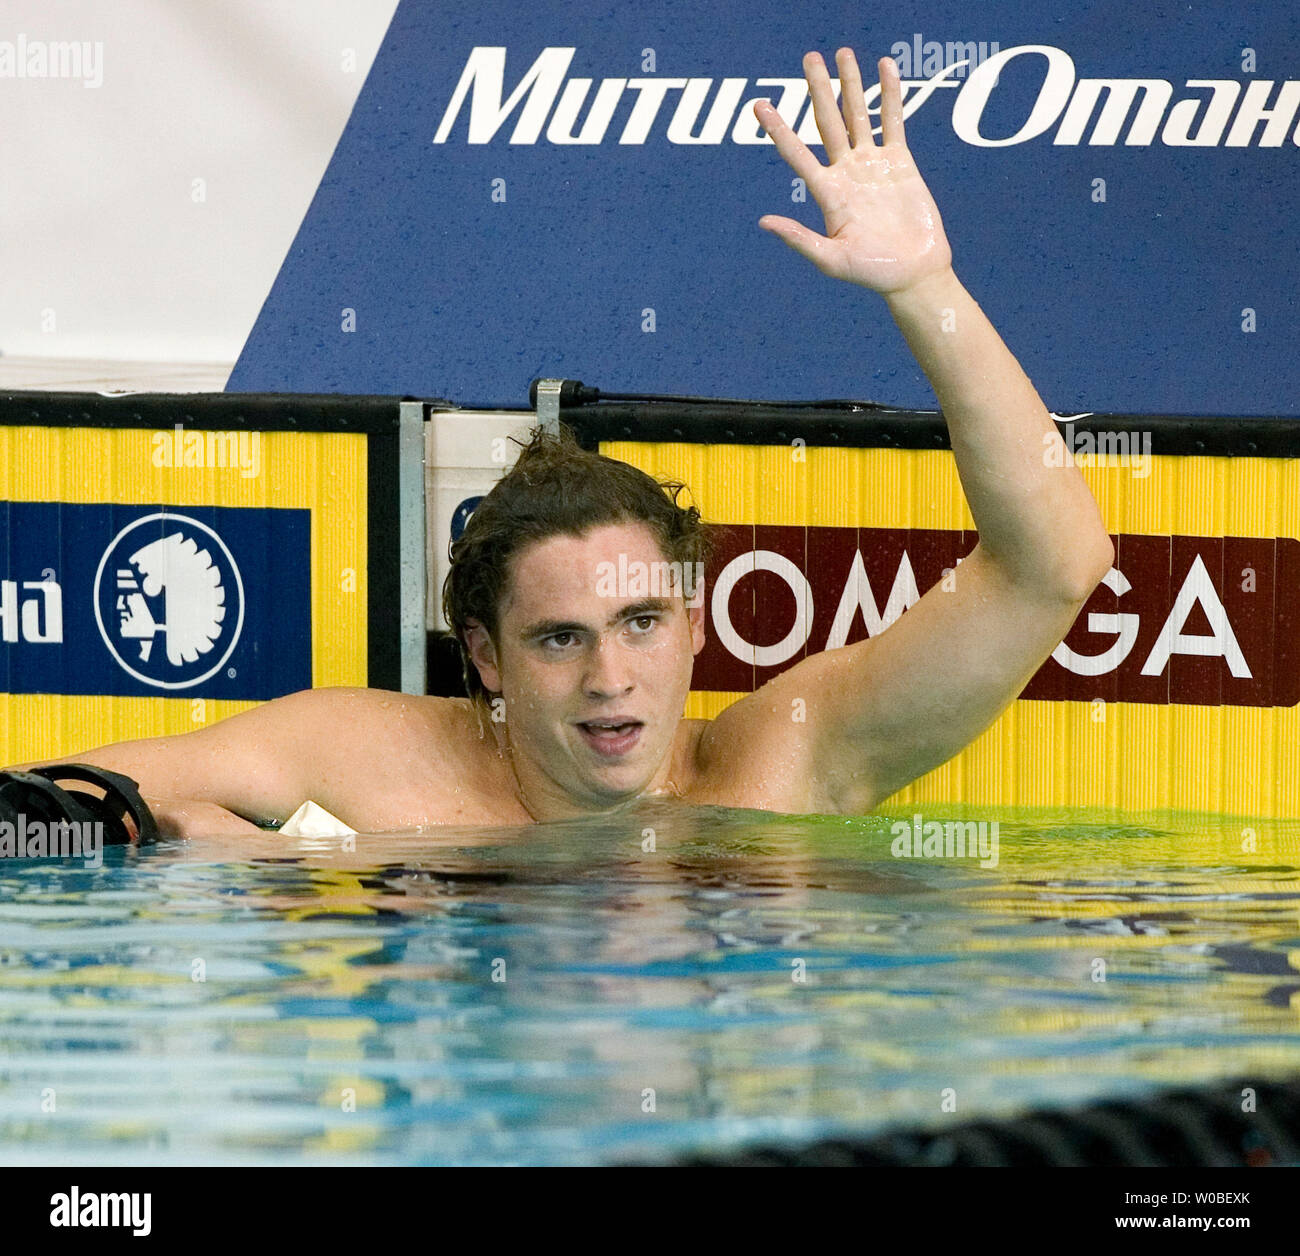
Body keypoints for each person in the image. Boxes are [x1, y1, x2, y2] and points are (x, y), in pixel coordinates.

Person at [8, 49, 1113, 836]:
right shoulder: (366, 765)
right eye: (557, 638)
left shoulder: (787, 761)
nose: (609, 677)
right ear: (484, 657)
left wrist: (928, 289)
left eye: (640, 621)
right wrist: (218, 845)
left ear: (690, 620)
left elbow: (1051, 567)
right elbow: (44, 802)